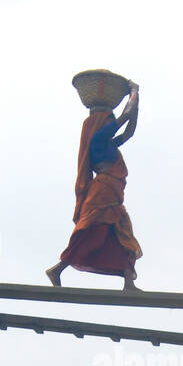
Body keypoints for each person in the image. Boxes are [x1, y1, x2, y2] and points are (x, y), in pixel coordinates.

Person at [47, 81, 142, 290]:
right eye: (108, 121)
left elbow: (129, 132)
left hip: (111, 195)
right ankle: (57, 269)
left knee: (120, 234)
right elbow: (124, 118)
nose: (111, 124)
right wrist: (133, 92)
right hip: (101, 194)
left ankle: (128, 282)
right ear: (100, 123)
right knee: (92, 235)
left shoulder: (109, 143)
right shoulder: (98, 140)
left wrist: (137, 104)